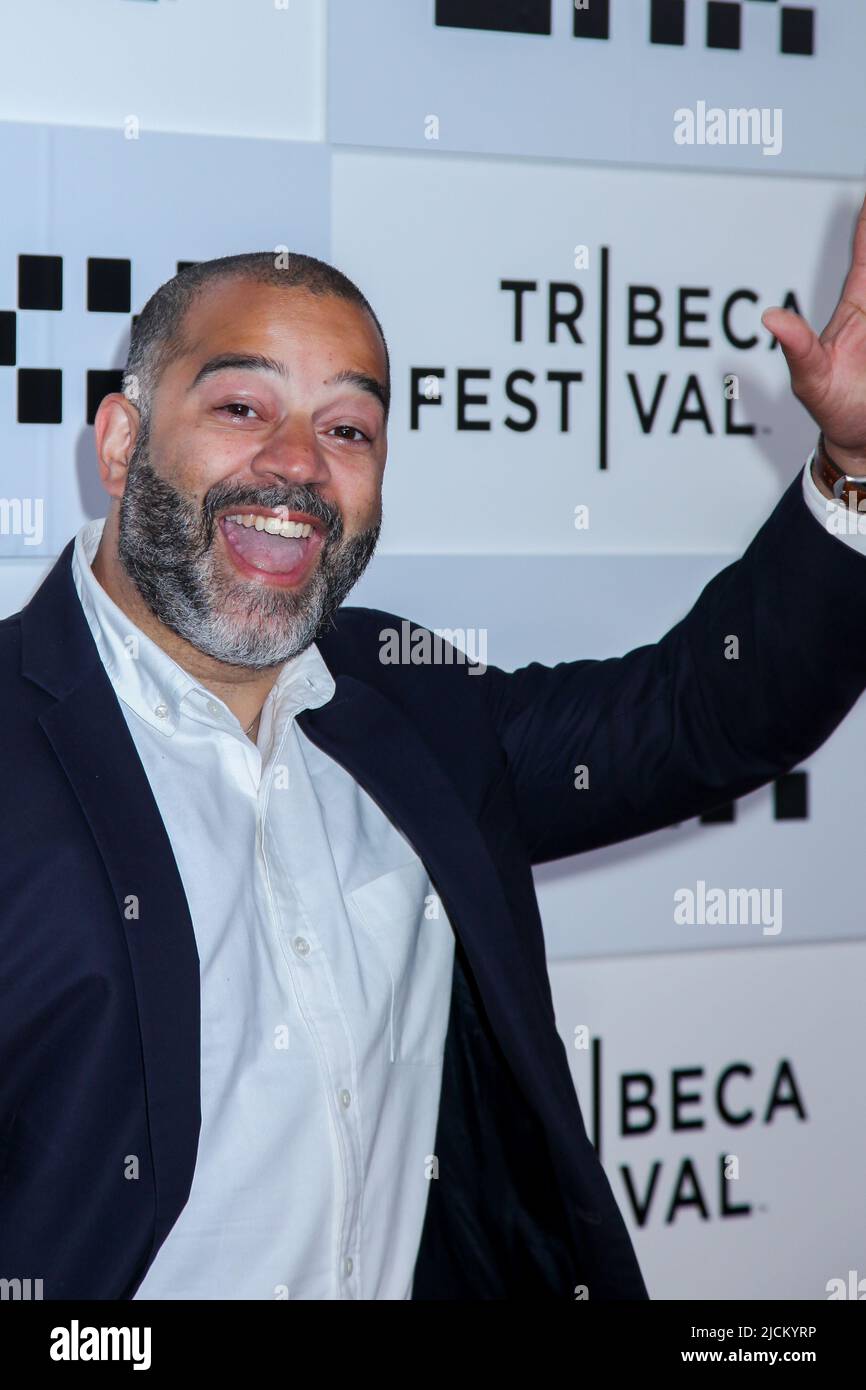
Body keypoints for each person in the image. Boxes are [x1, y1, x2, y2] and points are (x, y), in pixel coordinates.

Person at [3, 193, 866, 1301]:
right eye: (240, 406)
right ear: (120, 442)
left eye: (348, 429)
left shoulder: (403, 700)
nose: (298, 466)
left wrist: (849, 470)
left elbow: (704, 716)